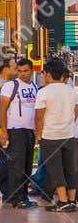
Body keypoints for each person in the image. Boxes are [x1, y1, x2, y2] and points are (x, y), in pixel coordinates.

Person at [34, 58, 78, 211]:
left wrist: (38, 135)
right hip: (68, 135)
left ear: (48, 74)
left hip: (50, 136)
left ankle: (63, 201)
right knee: (70, 168)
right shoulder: (72, 91)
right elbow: (76, 112)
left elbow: (39, 117)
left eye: (43, 73)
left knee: (55, 169)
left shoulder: (43, 92)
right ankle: (72, 200)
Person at [0, 59, 40, 208]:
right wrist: (4, 131)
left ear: (32, 70)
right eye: (19, 71)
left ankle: (24, 196)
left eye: (25, 71)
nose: (22, 74)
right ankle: (16, 199)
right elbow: (2, 109)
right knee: (17, 166)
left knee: (27, 166)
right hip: (15, 130)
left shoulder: (35, 86)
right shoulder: (10, 86)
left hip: (29, 131)